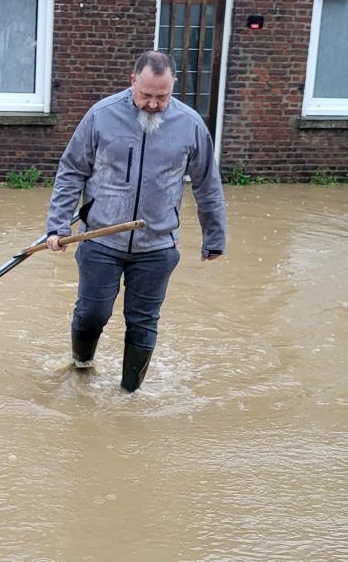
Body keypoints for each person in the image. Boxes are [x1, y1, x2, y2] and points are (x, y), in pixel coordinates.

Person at [43, 50, 226, 392]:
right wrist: (57, 225)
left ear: (173, 85)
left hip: (157, 246)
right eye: (146, 95)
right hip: (99, 240)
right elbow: (71, 171)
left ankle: (129, 395)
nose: (154, 104)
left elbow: (207, 184)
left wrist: (214, 236)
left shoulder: (190, 125)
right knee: (92, 313)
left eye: (162, 96)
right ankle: (81, 365)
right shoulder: (101, 116)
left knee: (143, 323)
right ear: (132, 82)